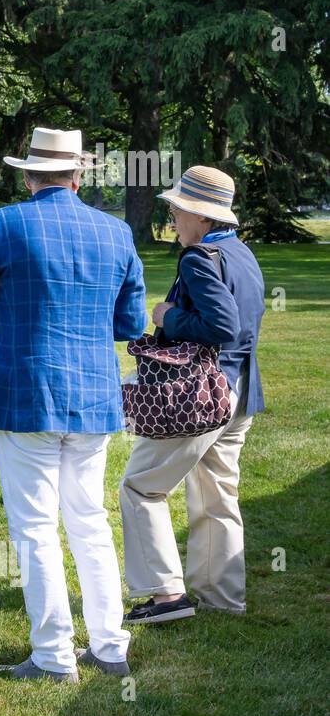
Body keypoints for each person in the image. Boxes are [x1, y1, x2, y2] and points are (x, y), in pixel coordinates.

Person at [0, 127, 146, 682]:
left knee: (36, 527)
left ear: (27, 174)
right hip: (93, 396)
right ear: (77, 174)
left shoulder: (3, 224)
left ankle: (53, 656)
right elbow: (131, 323)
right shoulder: (117, 232)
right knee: (89, 521)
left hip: (27, 394)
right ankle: (111, 647)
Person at [119, 166, 265, 622]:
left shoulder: (199, 258)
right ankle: (222, 597)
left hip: (200, 395)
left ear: (201, 217)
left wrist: (166, 316)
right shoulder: (242, 253)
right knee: (216, 495)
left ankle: (166, 597)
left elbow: (223, 326)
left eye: (177, 210)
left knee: (141, 487)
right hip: (240, 393)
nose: (173, 219)